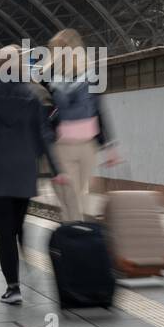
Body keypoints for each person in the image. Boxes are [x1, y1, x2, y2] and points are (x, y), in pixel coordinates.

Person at [0, 45, 64, 305]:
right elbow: (44, 134)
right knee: (17, 225)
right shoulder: (32, 95)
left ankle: (13, 286)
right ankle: (22, 255)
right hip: (24, 171)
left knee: (3, 233)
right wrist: (56, 169)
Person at [45, 28, 120, 222]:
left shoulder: (50, 75)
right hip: (80, 145)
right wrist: (109, 146)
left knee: (73, 199)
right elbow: (98, 110)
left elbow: (98, 109)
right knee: (76, 198)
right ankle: (75, 240)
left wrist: (109, 147)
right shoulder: (88, 73)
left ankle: (71, 240)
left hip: (69, 145)